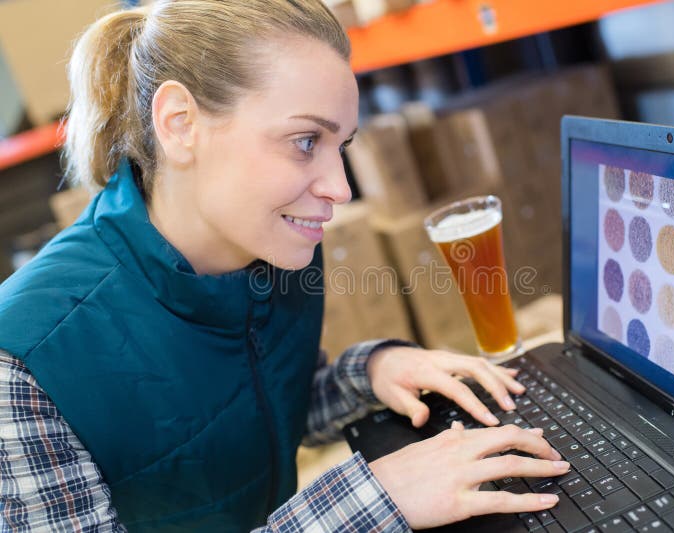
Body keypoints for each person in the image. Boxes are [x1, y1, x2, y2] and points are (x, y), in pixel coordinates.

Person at [0, 1, 568, 531]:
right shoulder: (21, 366)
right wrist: (371, 501)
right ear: (179, 124)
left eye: (340, 144)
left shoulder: (267, 247)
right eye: (303, 141)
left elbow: (257, 409)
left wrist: (369, 372)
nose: (340, 188)